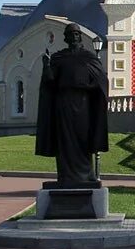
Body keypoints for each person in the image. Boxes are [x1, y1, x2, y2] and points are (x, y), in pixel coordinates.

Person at [34, 23, 109, 186]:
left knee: (83, 137)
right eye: (71, 34)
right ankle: (65, 175)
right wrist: (46, 66)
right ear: (66, 38)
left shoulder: (89, 57)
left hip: (83, 103)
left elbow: (101, 80)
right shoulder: (58, 58)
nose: (74, 37)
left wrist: (88, 86)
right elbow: (50, 82)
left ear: (80, 37)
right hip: (63, 104)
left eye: (76, 34)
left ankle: (86, 173)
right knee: (65, 139)